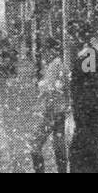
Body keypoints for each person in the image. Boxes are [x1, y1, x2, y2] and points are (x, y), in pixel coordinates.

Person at [68, 24, 98, 173]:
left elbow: (89, 85)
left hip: (88, 114)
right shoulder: (87, 54)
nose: (71, 40)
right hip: (89, 113)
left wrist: (83, 114)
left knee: (81, 152)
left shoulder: (88, 54)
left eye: (74, 36)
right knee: (87, 153)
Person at [30, 36, 69, 173]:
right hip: (57, 112)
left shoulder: (55, 66)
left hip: (51, 112)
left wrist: (47, 111)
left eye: (46, 50)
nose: (45, 54)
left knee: (35, 146)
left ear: (53, 50)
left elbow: (52, 91)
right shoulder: (56, 65)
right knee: (58, 146)